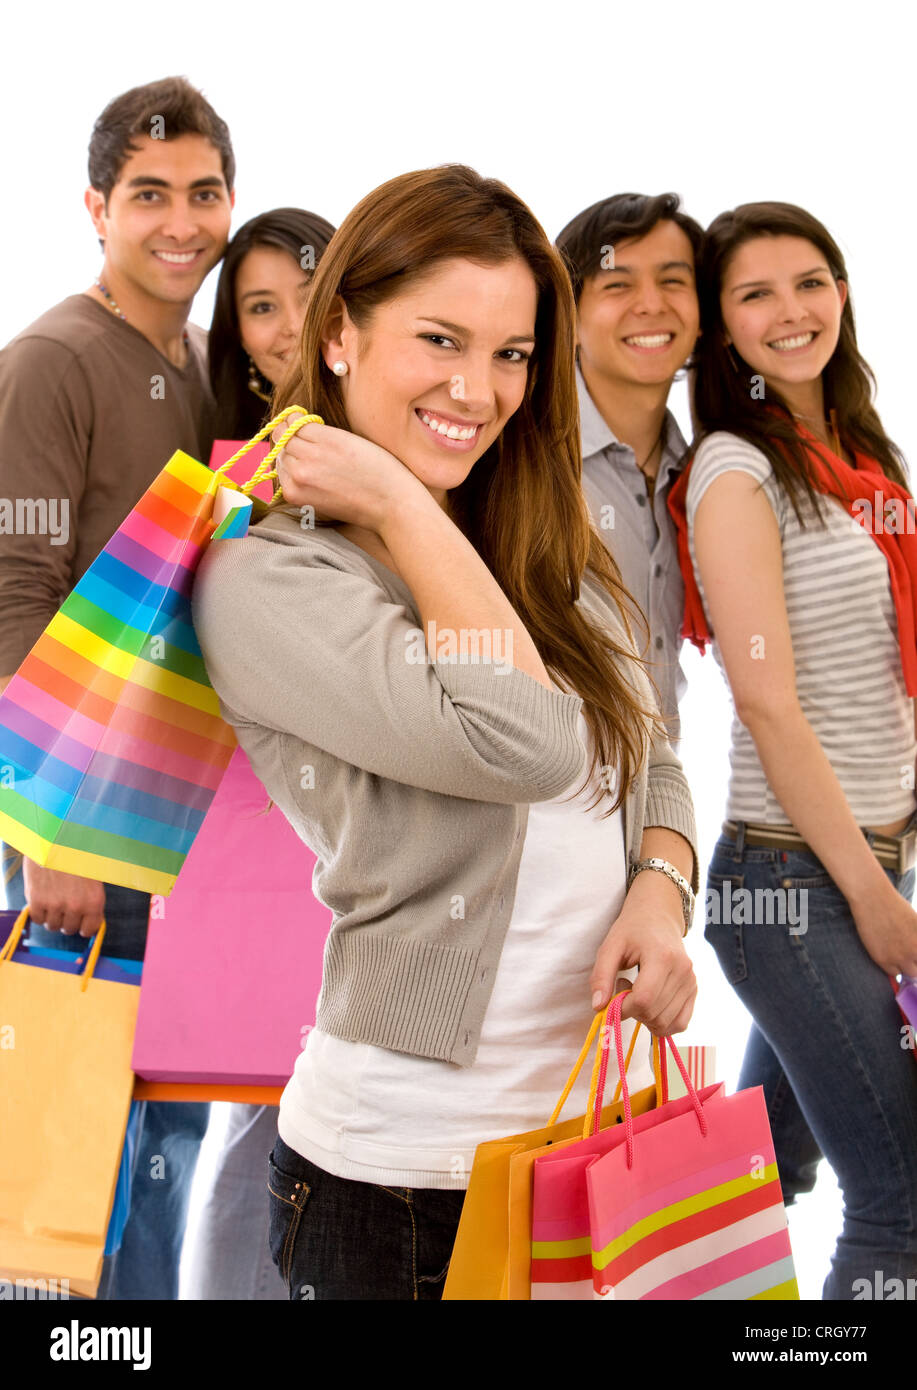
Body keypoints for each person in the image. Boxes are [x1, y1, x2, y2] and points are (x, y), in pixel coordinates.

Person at [192, 164, 699, 1303]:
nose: (478, 389)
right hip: (405, 1185)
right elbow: (524, 746)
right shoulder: (270, 574)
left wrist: (658, 894)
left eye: (511, 354)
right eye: (438, 340)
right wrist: (400, 504)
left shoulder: (541, 547)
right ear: (339, 339)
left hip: (597, 1140)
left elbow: (648, 757)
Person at [0, 75, 234, 1299]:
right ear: (97, 206)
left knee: (163, 1136)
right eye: (149, 195)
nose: (178, 222)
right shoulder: (50, 361)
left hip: (177, 819)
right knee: (65, 1140)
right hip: (78, 820)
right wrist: (44, 835)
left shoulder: (202, 360)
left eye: (202, 193)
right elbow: (7, 598)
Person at [668, 201, 917, 1300]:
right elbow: (767, 705)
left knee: (763, 1168)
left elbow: (880, 671)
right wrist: (871, 898)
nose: (789, 311)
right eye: (753, 293)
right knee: (901, 1207)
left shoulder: (860, 459)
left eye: (807, 281)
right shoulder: (736, 470)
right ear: (720, 330)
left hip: (866, 856)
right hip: (791, 884)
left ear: (842, 291)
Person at [186, 206, 336, 1303]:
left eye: (307, 292)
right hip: (268, 839)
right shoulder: (226, 476)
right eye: (259, 309)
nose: (288, 329)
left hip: (375, 839)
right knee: (259, 1107)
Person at [555, 194, 704, 745]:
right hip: (538, 812)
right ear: (566, 318)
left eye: (673, 281)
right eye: (617, 284)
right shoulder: (514, 457)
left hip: (656, 808)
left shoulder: (704, 477)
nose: (650, 304)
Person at [208, 207, 336, 440]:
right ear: (238, 334)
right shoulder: (227, 462)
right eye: (263, 307)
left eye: (314, 295)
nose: (296, 326)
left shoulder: (415, 419)